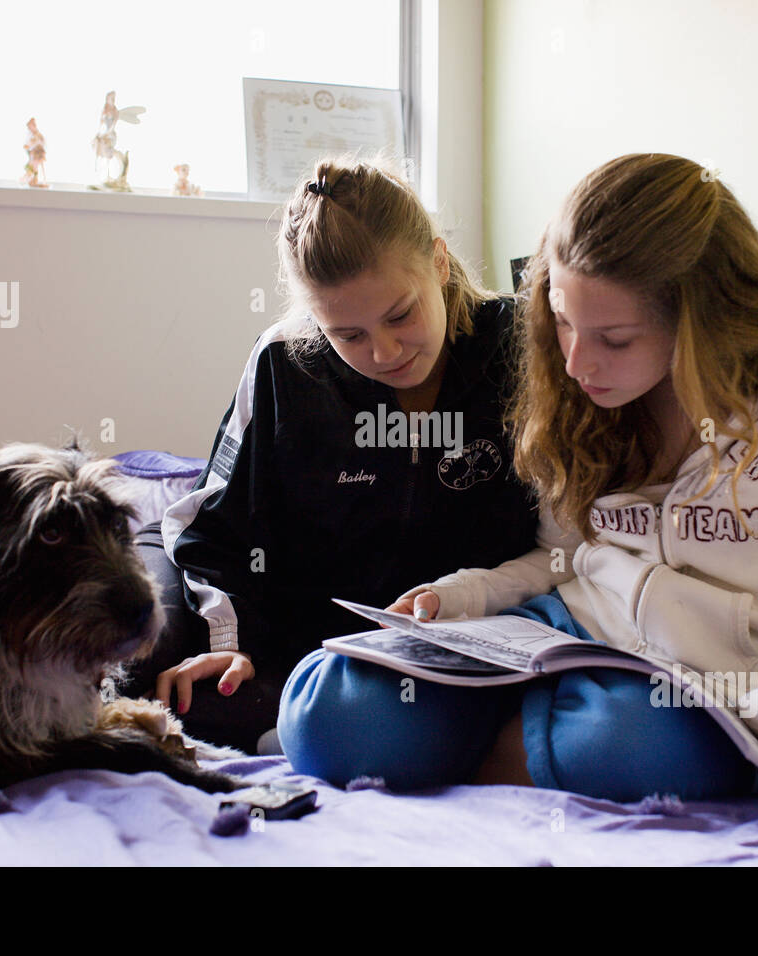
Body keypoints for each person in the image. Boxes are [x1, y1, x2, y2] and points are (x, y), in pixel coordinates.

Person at [277, 153, 758, 801]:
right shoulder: (567, 354)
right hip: (565, 629)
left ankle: (482, 745)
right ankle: (518, 744)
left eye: (615, 339)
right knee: (333, 712)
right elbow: (562, 557)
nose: (575, 362)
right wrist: (463, 595)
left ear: (698, 314)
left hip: (701, 668)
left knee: (626, 748)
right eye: (564, 322)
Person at [117, 159, 540, 754]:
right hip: (281, 617)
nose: (386, 351)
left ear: (439, 263)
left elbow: (565, 538)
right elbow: (206, 525)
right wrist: (229, 642)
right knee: (142, 679)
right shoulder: (284, 363)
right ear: (315, 320)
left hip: (451, 631)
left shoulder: (521, 348)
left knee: (375, 723)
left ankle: (302, 727)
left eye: (401, 315)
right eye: (349, 335)